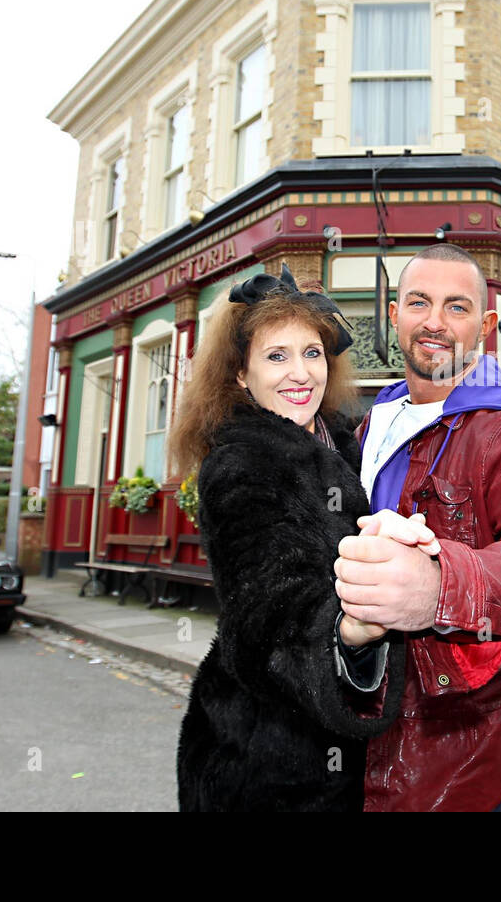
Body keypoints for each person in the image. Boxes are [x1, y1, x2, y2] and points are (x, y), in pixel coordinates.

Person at [333, 243, 501, 812]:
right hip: (365, 736)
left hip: (466, 757)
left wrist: (440, 588)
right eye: (418, 302)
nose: (434, 322)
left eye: (456, 307)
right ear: (394, 315)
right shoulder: (371, 423)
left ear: (484, 326)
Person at [170, 264, 430, 811]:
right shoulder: (240, 461)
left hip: (338, 748)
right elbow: (266, 609)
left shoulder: (338, 436)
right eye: (276, 356)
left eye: (312, 353)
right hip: (268, 760)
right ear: (241, 374)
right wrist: (346, 627)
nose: (301, 373)